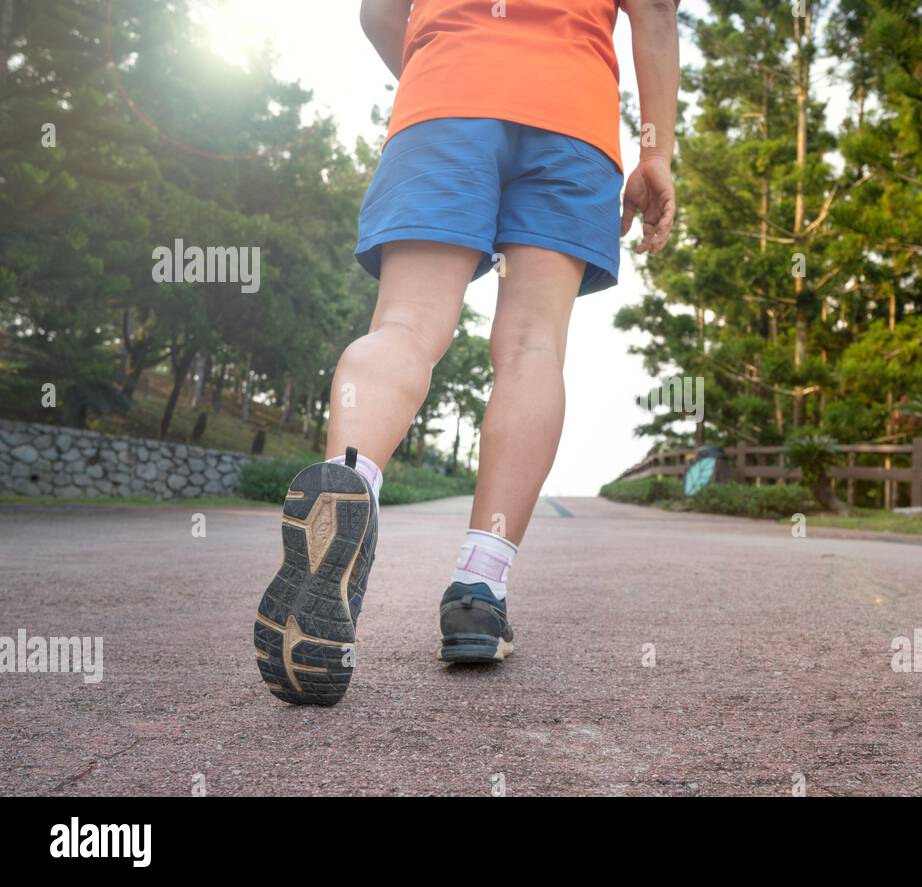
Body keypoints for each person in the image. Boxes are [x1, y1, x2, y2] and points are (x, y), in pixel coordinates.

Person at [253, 0, 680, 705]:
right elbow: (657, 10)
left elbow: (377, 13)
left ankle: (350, 478)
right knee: (531, 348)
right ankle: (479, 589)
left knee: (406, 327)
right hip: (570, 118)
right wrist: (656, 152)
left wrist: (442, 84)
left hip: (446, 97)